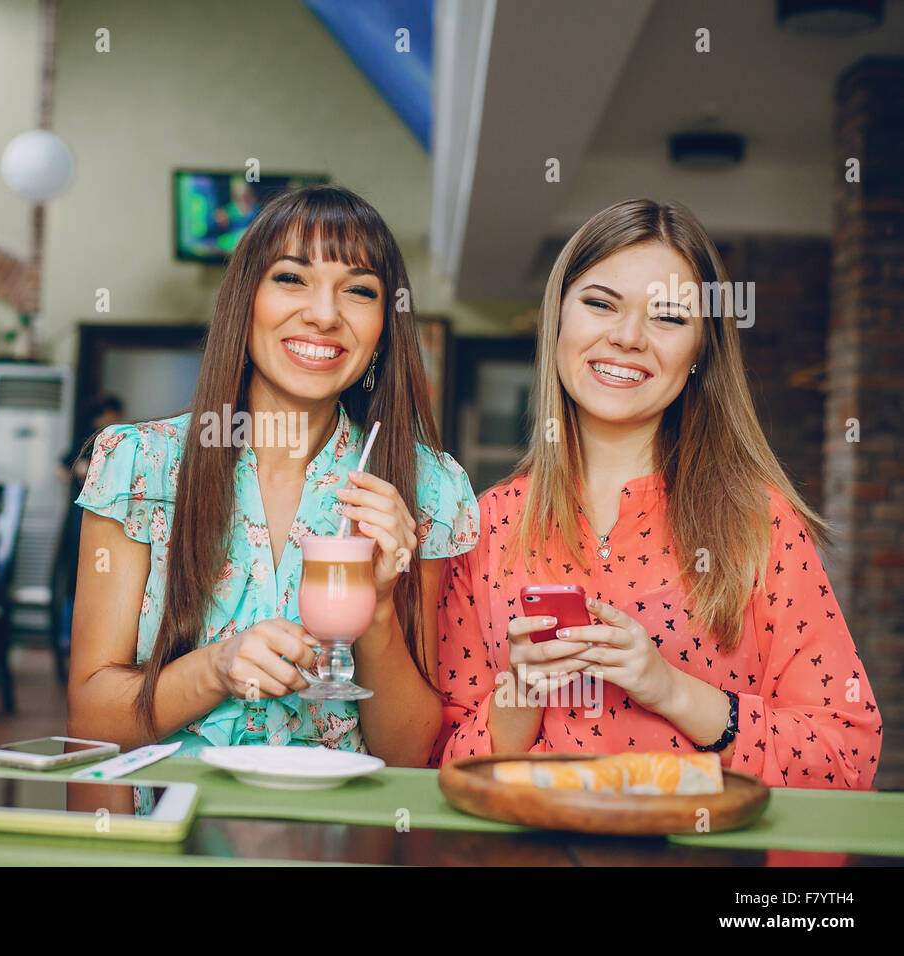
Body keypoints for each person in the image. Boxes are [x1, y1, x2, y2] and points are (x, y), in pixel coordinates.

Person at [434, 199, 880, 789]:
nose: (626, 337)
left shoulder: (759, 523)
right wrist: (517, 698)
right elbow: (437, 767)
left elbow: (847, 758)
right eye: (599, 304)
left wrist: (672, 689)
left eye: (668, 317)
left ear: (700, 352)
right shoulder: (484, 526)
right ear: (558, 320)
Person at [68, 185, 478, 766]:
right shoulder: (140, 464)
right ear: (246, 298)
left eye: (359, 291)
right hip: (169, 837)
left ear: (386, 325)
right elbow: (90, 722)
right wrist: (215, 667)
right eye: (292, 278)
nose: (325, 314)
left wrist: (379, 609)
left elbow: (408, 754)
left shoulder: (426, 488)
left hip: (334, 845)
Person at [50, 395, 125, 683]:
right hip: (78, 521)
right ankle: (69, 635)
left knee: (102, 578)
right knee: (74, 578)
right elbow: (60, 468)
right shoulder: (89, 438)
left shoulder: (120, 440)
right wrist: (80, 471)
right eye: (109, 414)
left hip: (107, 522)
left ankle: (94, 638)